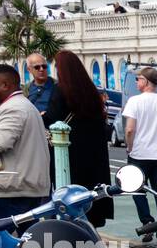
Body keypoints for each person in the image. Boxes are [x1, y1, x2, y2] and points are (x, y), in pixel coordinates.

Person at [0, 64, 50, 219]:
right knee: (27, 238)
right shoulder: (20, 105)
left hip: (12, 190)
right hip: (21, 186)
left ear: (5, 85)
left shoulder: (14, 108)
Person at [43, 51, 114, 228]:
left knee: (69, 191)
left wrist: (42, 116)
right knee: (91, 191)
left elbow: (52, 117)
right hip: (93, 152)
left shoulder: (61, 90)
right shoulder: (90, 90)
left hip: (71, 152)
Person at [122, 66, 157, 246]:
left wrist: (129, 147)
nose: (136, 82)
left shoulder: (135, 101)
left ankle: (147, 222)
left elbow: (129, 129)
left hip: (139, 154)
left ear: (146, 81)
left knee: (136, 190)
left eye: (138, 79)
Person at [23, 52, 56, 119]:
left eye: (44, 66)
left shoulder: (57, 85)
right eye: (37, 67)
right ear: (29, 69)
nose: (41, 69)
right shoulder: (26, 89)